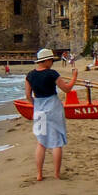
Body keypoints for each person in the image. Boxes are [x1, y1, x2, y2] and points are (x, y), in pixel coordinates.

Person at [26, 48, 79, 181]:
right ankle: (56, 174)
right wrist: (74, 78)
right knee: (56, 142)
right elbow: (66, 89)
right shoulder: (52, 74)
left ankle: (39, 174)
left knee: (41, 142)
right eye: (51, 60)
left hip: (38, 108)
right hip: (53, 107)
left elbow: (27, 95)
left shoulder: (30, 75)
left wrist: (35, 104)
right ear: (47, 61)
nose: (52, 63)